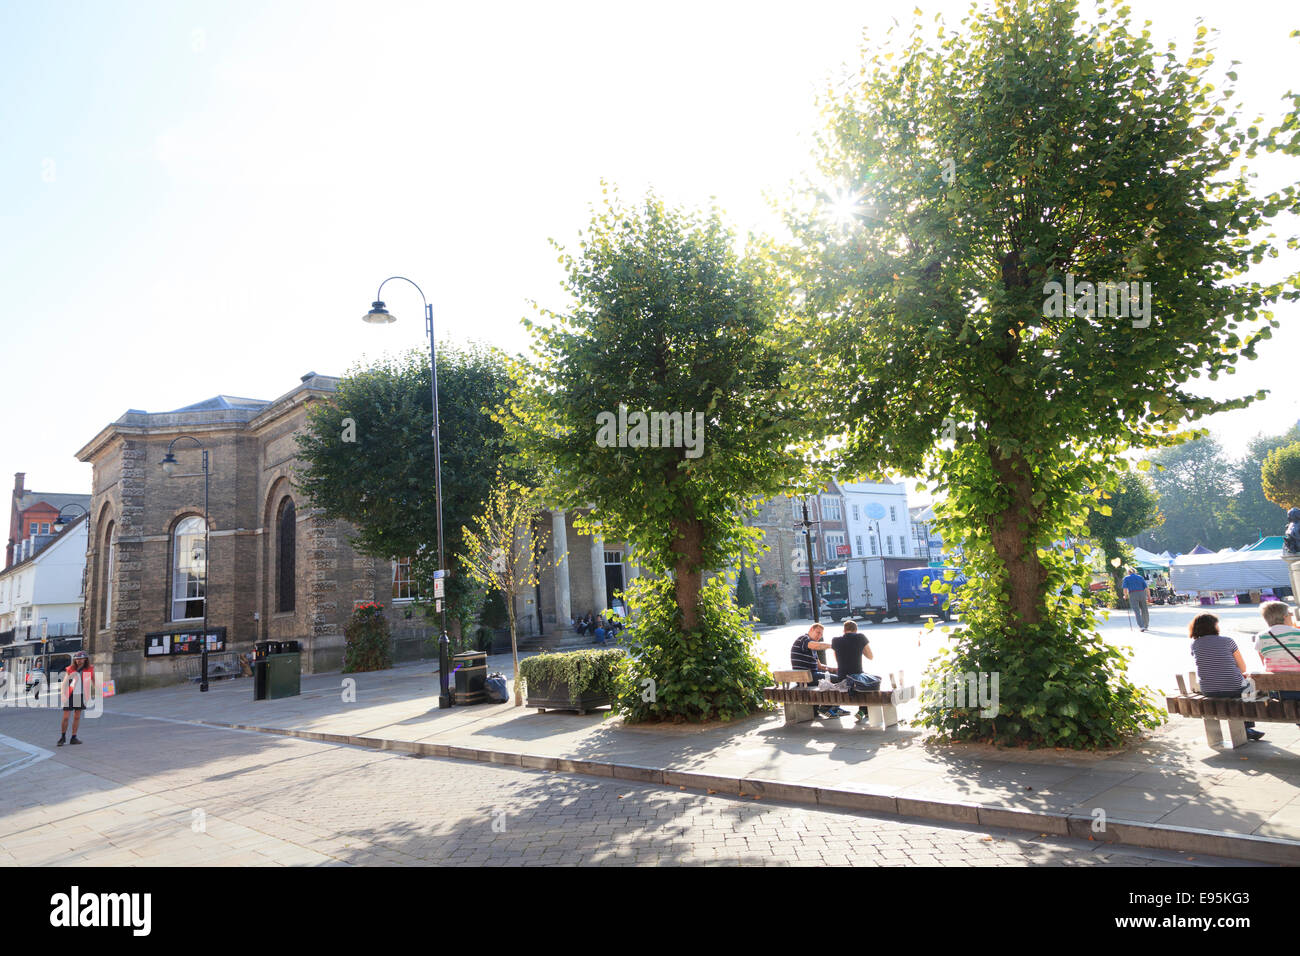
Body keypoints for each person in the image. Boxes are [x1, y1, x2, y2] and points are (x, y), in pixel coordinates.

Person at [1189, 614, 1263, 742]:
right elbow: (1243, 667)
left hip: (1209, 689)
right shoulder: (1228, 641)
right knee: (1249, 688)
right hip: (1234, 687)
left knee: (1238, 688)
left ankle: (1243, 730)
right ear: (1214, 626)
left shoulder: (1195, 645)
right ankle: (1247, 727)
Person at [1255, 600, 1300, 725]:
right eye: (1291, 614)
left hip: (1280, 693)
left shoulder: (1262, 636)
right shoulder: (1298, 634)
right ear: (1285, 617)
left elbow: (1264, 663)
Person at [790, 623, 849, 719]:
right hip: (806, 677)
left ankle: (832, 707)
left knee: (839, 675)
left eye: (821, 634)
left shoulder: (812, 648)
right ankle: (827, 707)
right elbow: (816, 646)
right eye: (818, 632)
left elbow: (820, 666)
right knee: (840, 679)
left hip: (812, 676)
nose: (819, 636)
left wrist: (835, 669)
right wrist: (833, 645)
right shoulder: (803, 639)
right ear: (811, 630)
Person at [831, 620, 875, 723]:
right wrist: (860, 649)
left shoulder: (835, 640)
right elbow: (870, 656)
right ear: (856, 630)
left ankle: (864, 710)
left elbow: (836, 658)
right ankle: (863, 710)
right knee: (869, 682)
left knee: (859, 681)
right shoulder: (860, 637)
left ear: (844, 630)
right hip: (856, 678)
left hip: (842, 677)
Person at [58, 651, 95, 747]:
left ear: (85, 659)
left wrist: (101, 691)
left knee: (77, 716)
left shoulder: (89, 669)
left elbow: (94, 681)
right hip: (69, 694)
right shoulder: (70, 669)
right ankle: (62, 737)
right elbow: (65, 682)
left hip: (80, 695)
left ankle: (73, 737)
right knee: (66, 717)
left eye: (80, 659)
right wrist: (62, 694)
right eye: (77, 659)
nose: (78, 660)